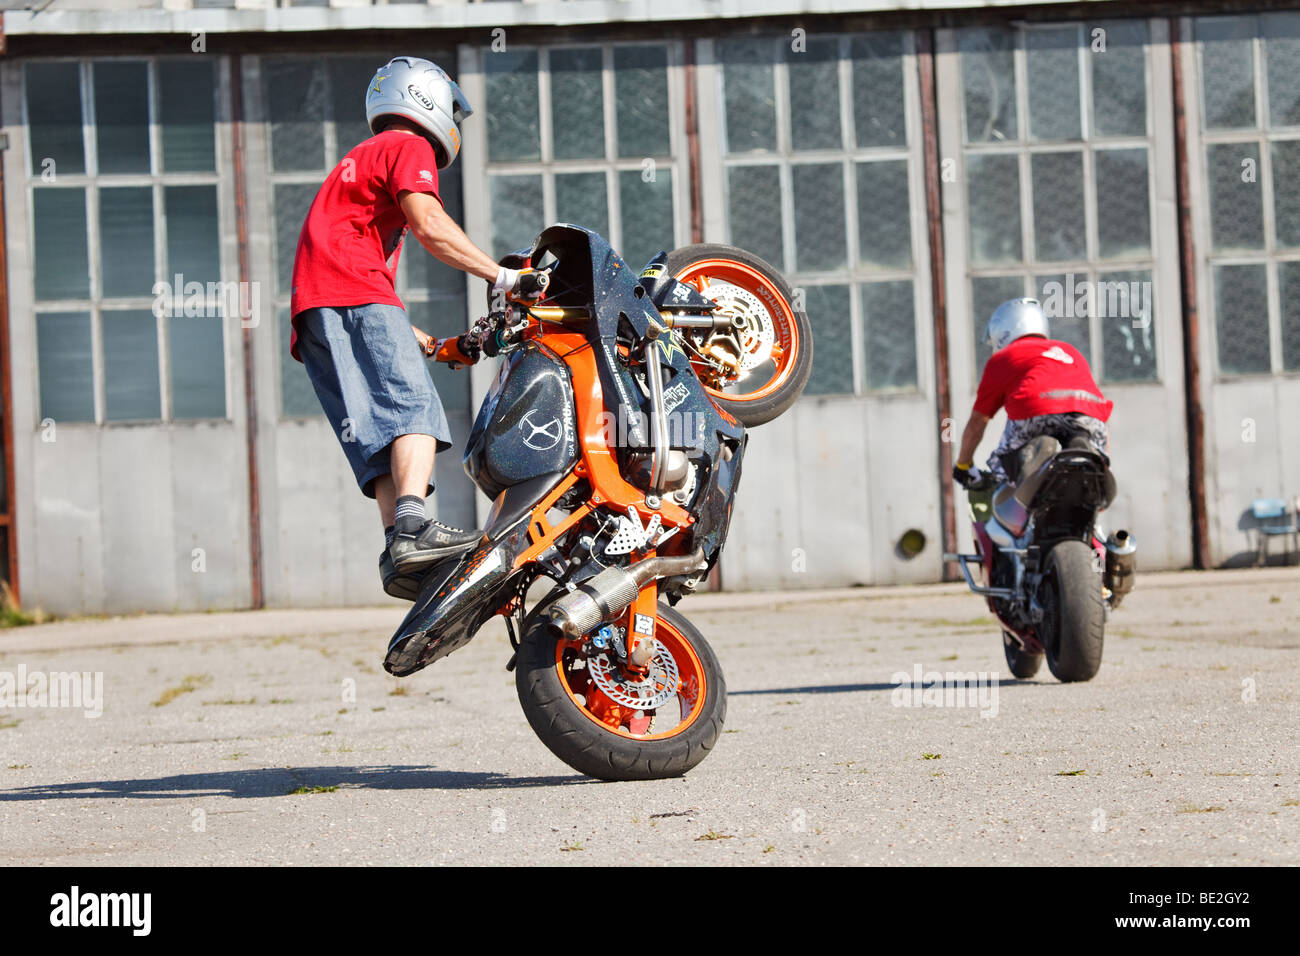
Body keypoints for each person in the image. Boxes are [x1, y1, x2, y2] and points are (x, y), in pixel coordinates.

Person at [288, 56, 543, 600]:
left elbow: (346, 259)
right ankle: (413, 526)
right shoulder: (410, 146)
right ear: (427, 99)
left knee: (382, 436)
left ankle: (398, 548)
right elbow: (429, 225)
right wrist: (503, 276)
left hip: (317, 312)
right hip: (353, 296)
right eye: (452, 108)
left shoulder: (360, 156)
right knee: (413, 412)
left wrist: (419, 337)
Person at [953, 297, 1112, 491]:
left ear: (1002, 332)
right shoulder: (1069, 350)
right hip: (1089, 417)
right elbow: (1098, 411)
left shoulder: (1004, 358)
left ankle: (1033, 461)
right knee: (1093, 466)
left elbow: (978, 422)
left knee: (1002, 468)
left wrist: (963, 465)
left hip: (1036, 410)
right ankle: (1085, 463)